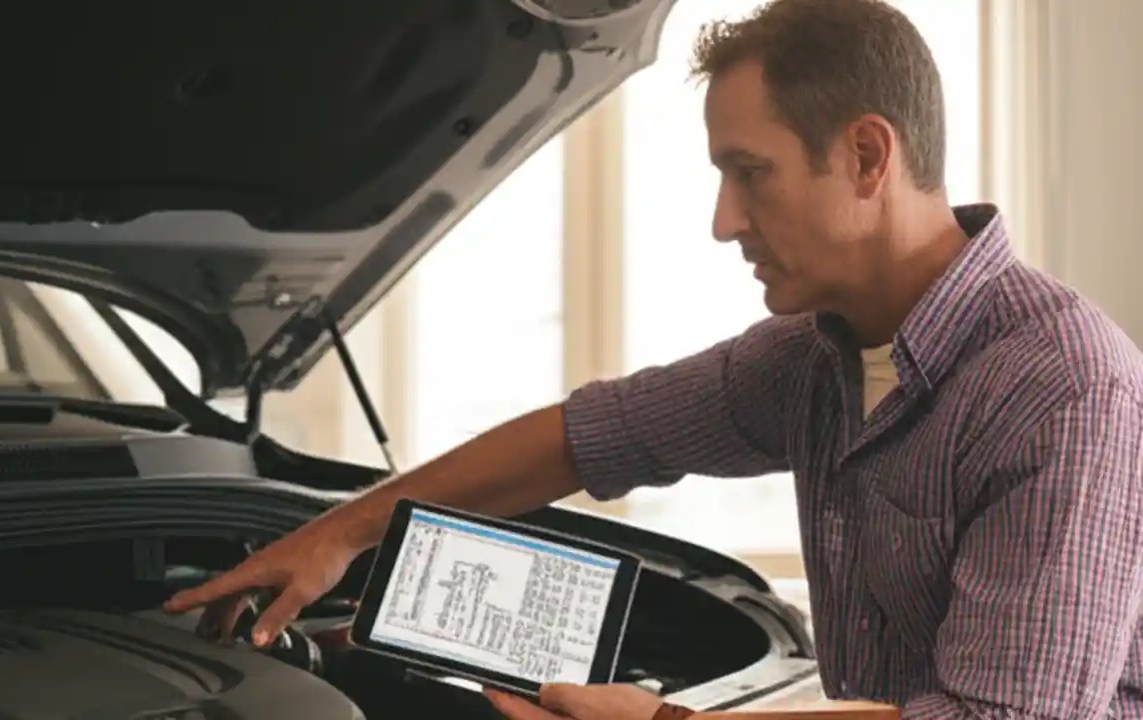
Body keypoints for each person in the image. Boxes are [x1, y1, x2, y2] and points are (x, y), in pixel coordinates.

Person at [164, 0, 1143, 717]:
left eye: (746, 174)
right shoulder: (810, 360)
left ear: (865, 158)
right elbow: (587, 437)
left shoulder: (1059, 388)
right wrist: (347, 531)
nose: (723, 223)